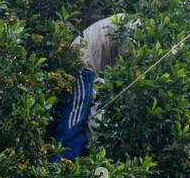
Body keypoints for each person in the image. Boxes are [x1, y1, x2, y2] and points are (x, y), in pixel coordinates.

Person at [52, 13, 138, 161]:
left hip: (91, 67)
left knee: (83, 115)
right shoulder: (136, 28)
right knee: (76, 115)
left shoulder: (132, 23)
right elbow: (123, 76)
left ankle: (72, 164)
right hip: (81, 61)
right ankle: (61, 165)